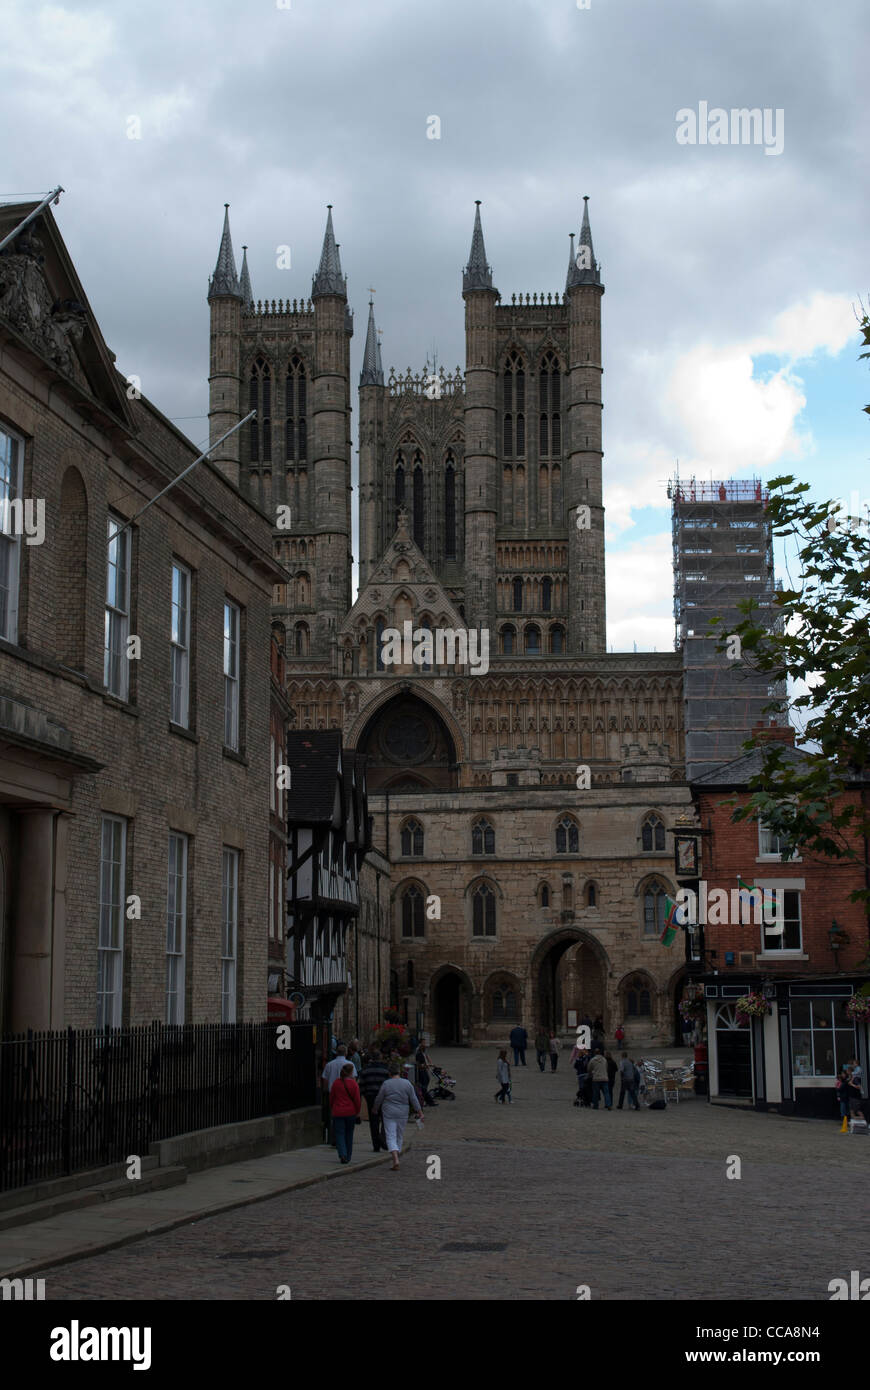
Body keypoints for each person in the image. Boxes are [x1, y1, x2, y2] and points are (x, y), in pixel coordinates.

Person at [373, 1060, 423, 1171]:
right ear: (399, 1072)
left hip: (389, 1111)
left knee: (390, 1135)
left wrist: (375, 1109)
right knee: (399, 1135)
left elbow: (379, 1098)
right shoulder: (407, 1083)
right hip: (403, 1112)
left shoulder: (386, 1084)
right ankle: (397, 1156)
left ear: (389, 1073)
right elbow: (413, 1099)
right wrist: (420, 1112)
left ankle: (395, 1158)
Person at [358, 1048, 390, 1151]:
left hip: (370, 1096)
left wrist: (364, 1094)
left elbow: (361, 1085)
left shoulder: (366, 1069)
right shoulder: (385, 1069)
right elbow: (389, 1084)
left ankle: (376, 1145)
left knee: (373, 1120)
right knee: (385, 1119)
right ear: (380, 1058)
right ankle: (382, 1138)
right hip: (383, 1097)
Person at [329, 1063, 361, 1164]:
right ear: (351, 1072)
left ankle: (342, 1153)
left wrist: (332, 1108)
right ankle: (348, 1155)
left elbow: (331, 1098)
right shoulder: (353, 1084)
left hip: (338, 1112)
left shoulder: (336, 1083)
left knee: (339, 1134)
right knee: (349, 1134)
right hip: (350, 1112)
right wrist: (357, 1111)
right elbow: (357, 1100)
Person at [415, 1040, 438, 1107]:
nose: (425, 1044)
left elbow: (427, 1057)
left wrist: (431, 1064)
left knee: (425, 1086)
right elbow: (419, 1065)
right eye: (424, 1043)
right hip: (421, 1072)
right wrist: (429, 1065)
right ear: (420, 1044)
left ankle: (427, 1100)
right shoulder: (419, 1053)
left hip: (424, 1070)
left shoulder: (423, 1052)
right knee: (423, 1087)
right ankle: (429, 1101)